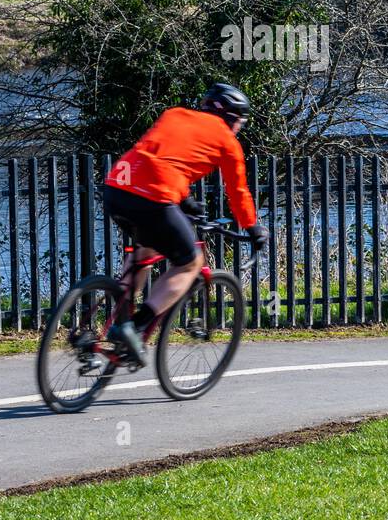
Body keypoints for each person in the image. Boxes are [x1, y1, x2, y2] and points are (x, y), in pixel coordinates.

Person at [103, 83, 269, 364]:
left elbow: (160, 156)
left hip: (117, 185)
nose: (240, 127)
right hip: (154, 196)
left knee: (144, 253)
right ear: (232, 118)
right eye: (241, 121)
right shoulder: (228, 142)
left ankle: (116, 322)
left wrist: (185, 200)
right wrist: (253, 229)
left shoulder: (174, 114)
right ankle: (135, 326)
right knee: (190, 263)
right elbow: (238, 192)